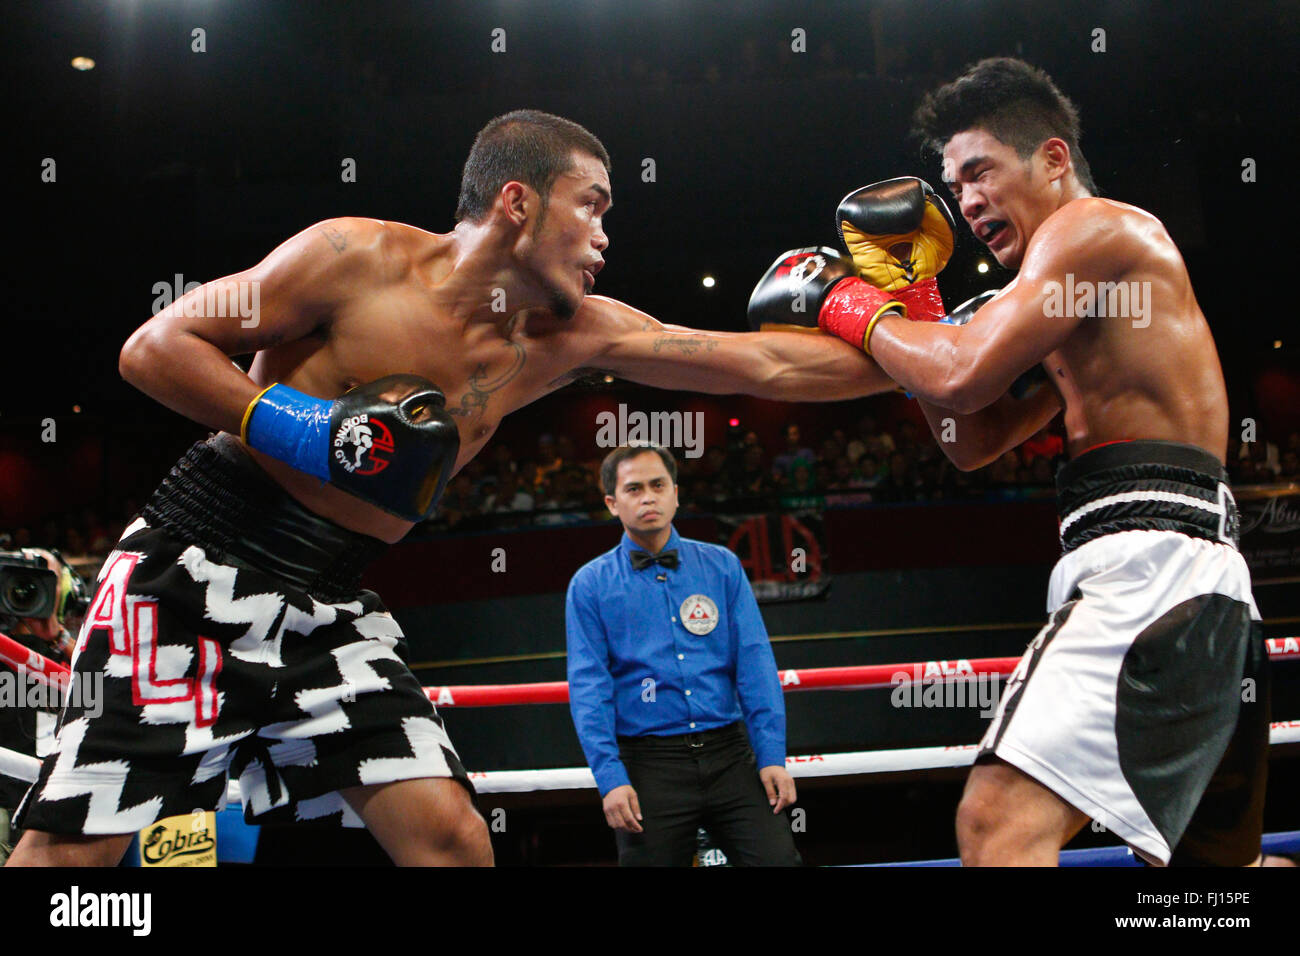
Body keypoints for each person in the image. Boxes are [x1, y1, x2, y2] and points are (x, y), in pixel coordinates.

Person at [7, 109, 894, 867]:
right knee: (69, 855)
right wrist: (308, 430)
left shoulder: (571, 336)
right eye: (591, 206)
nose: (605, 237)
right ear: (518, 201)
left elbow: (768, 362)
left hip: (327, 604)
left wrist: (915, 342)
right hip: (193, 569)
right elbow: (155, 349)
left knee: (454, 841)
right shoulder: (354, 257)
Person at [808, 58, 1270, 866]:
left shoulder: (1094, 230)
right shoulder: (1072, 308)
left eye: (981, 170)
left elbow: (957, 370)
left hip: (1148, 568)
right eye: (955, 185)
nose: (968, 200)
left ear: (1053, 158)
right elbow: (969, 437)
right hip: (1189, 579)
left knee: (996, 826)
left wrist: (841, 302)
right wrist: (915, 303)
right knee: (1211, 889)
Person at [566, 445, 800, 866]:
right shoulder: (589, 585)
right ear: (611, 503)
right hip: (648, 764)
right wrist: (610, 778)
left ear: (676, 492)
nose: (648, 498)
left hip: (731, 755)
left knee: (780, 861)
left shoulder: (723, 566)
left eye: (658, 485)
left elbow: (755, 665)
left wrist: (771, 756)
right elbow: (589, 688)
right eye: (633, 489)